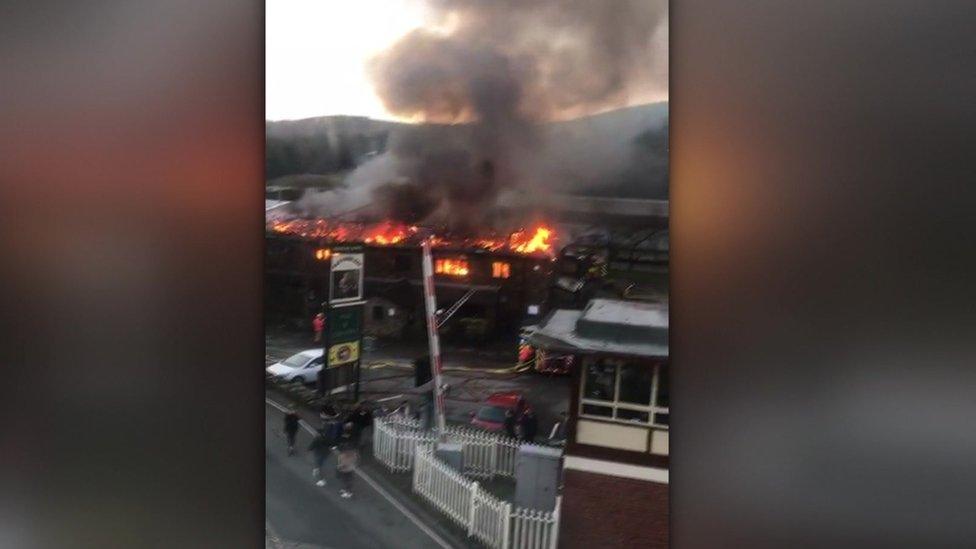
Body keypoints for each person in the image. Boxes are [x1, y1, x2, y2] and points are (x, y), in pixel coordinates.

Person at [335, 422, 359, 498]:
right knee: (347, 480)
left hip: (346, 469)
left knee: (346, 480)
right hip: (349, 468)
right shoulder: (352, 453)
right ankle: (346, 490)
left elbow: (344, 463)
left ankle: (348, 492)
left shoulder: (346, 455)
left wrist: (339, 467)